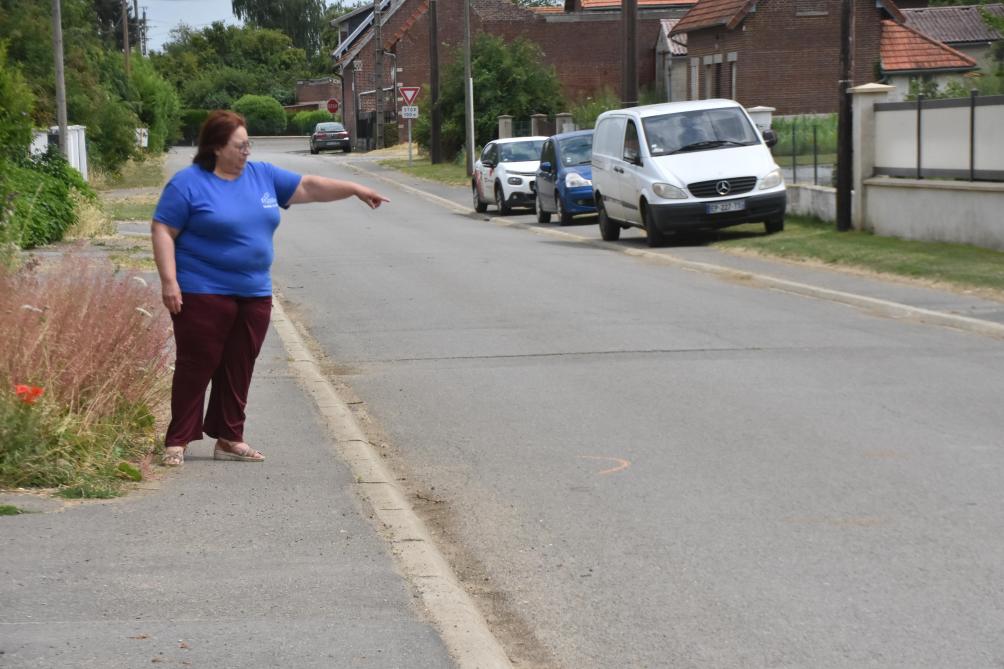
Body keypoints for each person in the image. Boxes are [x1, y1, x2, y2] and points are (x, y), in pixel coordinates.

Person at [151, 110, 388, 466]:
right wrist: (169, 281)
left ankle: (229, 437)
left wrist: (355, 189)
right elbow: (163, 230)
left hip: (254, 292)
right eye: (240, 145)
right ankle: (178, 440)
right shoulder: (188, 184)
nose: (247, 151)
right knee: (197, 364)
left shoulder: (261, 176)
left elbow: (308, 186)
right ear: (217, 147)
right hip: (202, 289)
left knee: (239, 366)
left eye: (249, 144)